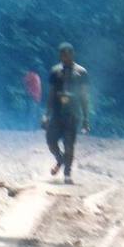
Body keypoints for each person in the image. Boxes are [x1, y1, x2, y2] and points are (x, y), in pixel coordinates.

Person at [41, 43, 90, 184]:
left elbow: (84, 97)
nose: (64, 58)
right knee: (51, 140)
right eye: (62, 55)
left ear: (72, 55)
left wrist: (86, 119)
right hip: (57, 113)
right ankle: (60, 159)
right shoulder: (55, 71)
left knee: (69, 144)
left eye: (67, 55)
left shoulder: (81, 73)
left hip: (73, 114)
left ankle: (67, 173)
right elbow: (51, 95)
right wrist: (46, 115)